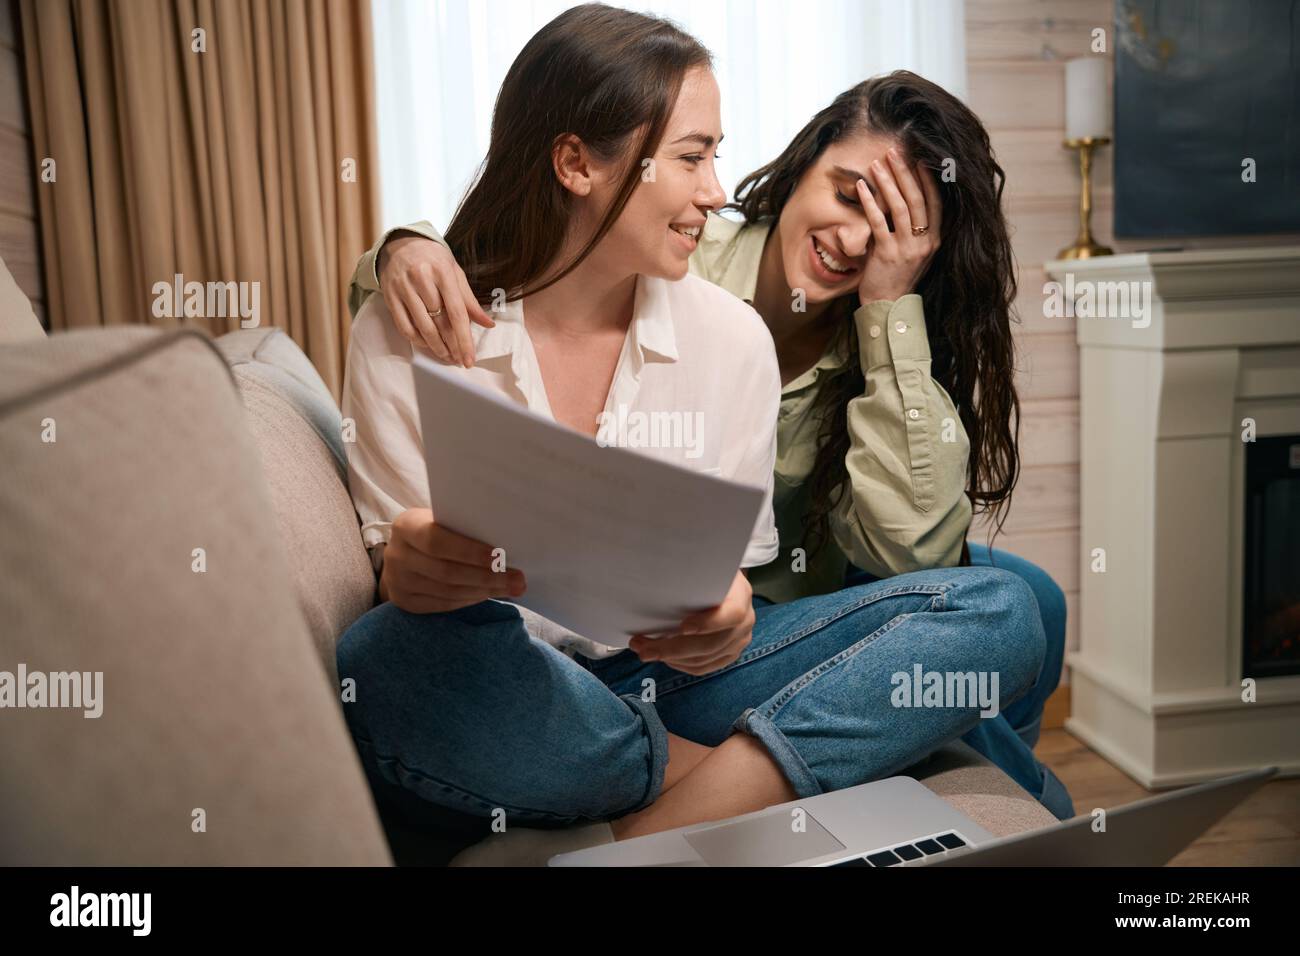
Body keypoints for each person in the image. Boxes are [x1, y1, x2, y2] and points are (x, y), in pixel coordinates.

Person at [338, 4, 1050, 864]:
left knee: (1009, 608)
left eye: (714, 154)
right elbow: (403, 591)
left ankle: (634, 838)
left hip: (682, 677)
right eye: (692, 157)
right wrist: (406, 573)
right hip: (521, 677)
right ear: (576, 162)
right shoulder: (418, 319)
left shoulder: (729, 334)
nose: (714, 189)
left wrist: (733, 615)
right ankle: (760, 786)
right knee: (384, 655)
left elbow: (821, 571)